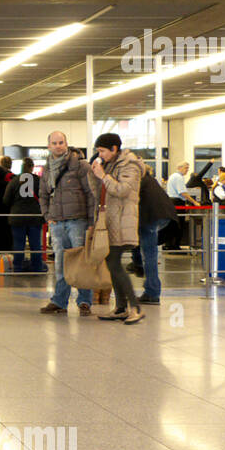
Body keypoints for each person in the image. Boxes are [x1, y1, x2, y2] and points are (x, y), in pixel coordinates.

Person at [87, 132, 145, 324]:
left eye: (102, 151)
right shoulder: (110, 165)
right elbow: (100, 193)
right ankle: (121, 308)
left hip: (122, 222)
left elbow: (122, 190)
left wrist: (103, 175)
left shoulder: (130, 165)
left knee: (114, 262)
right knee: (112, 263)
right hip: (109, 221)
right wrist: (94, 174)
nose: (100, 154)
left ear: (114, 149)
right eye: (98, 151)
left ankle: (134, 307)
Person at [38, 132, 95, 317]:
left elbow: (91, 194)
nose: (58, 146)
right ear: (48, 146)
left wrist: (91, 222)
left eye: (61, 142)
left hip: (78, 220)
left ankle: (85, 301)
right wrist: (47, 215)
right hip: (57, 222)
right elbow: (43, 195)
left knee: (80, 262)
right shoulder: (47, 169)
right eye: (54, 143)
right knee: (61, 263)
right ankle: (59, 301)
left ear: (67, 144)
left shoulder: (80, 165)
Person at [131, 166, 176, 305]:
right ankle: (150, 289)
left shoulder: (138, 181)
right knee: (149, 253)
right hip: (162, 216)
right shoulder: (150, 180)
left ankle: (152, 292)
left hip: (150, 218)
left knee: (149, 255)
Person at [4, 158, 46, 272]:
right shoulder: (38, 180)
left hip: (17, 217)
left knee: (18, 244)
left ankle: (17, 267)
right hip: (35, 216)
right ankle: (37, 267)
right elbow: (45, 197)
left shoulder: (14, 180)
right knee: (35, 244)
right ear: (32, 167)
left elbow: (6, 200)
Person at [164, 161, 197, 250]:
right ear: (180, 168)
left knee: (172, 225)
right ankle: (175, 246)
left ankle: (170, 245)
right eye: (186, 168)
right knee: (178, 225)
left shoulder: (173, 176)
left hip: (172, 202)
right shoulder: (178, 177)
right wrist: (194, 202)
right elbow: (182, 192)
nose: (187, 170)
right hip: (177, 202)